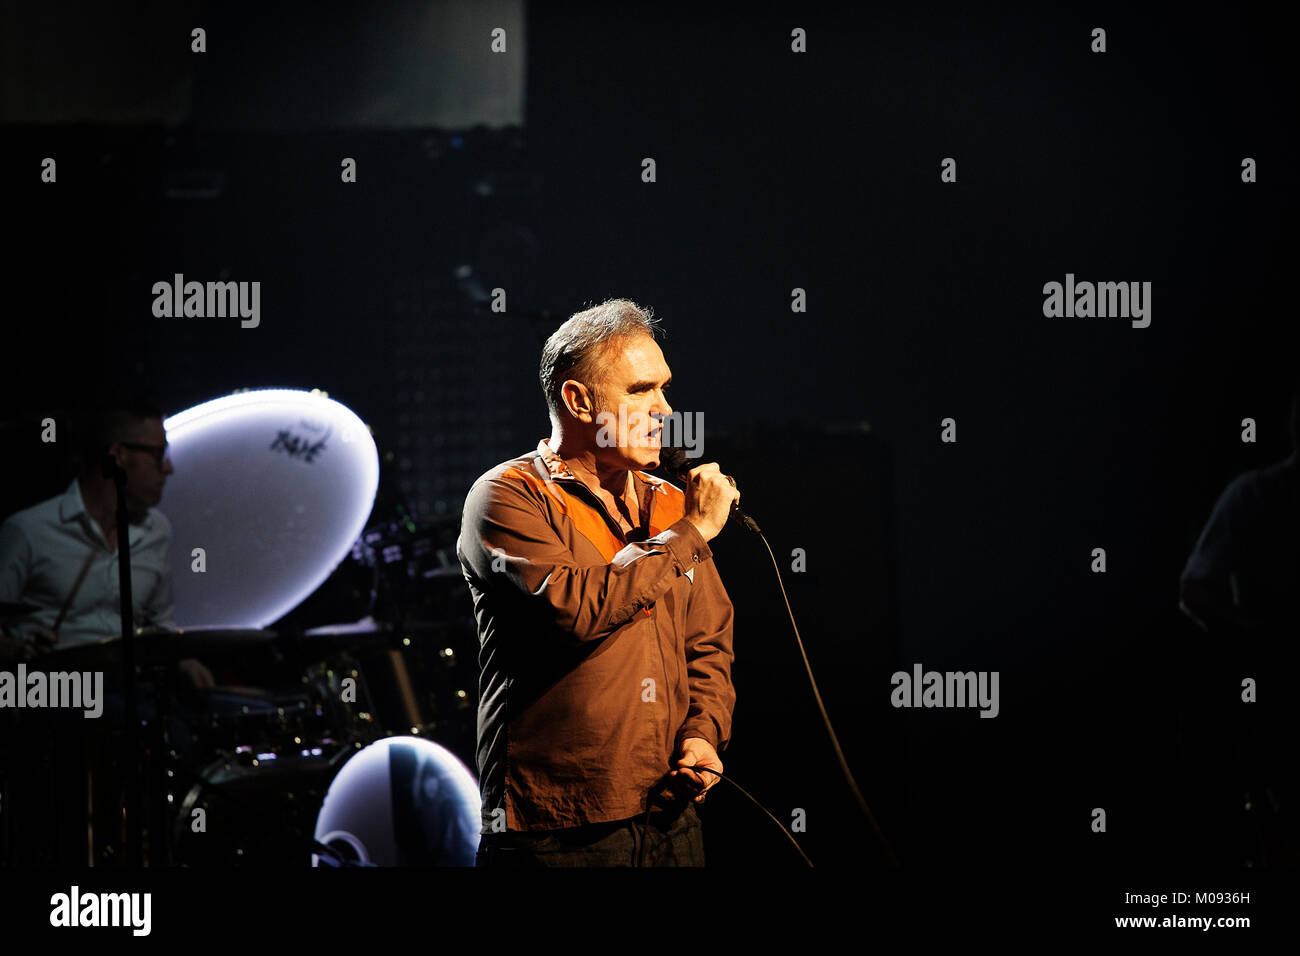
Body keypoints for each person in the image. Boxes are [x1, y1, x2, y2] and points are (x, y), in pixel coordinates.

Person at [458, 299, 739, 866]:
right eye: (641, 391)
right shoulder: (509, 496)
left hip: (668, 816)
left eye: (663, 389)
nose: (665, 410)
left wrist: (703, 735)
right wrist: (693, 531)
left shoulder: (667, 504)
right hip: (560, 830)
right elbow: (575, 611)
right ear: (578, 400)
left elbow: (708, 642)